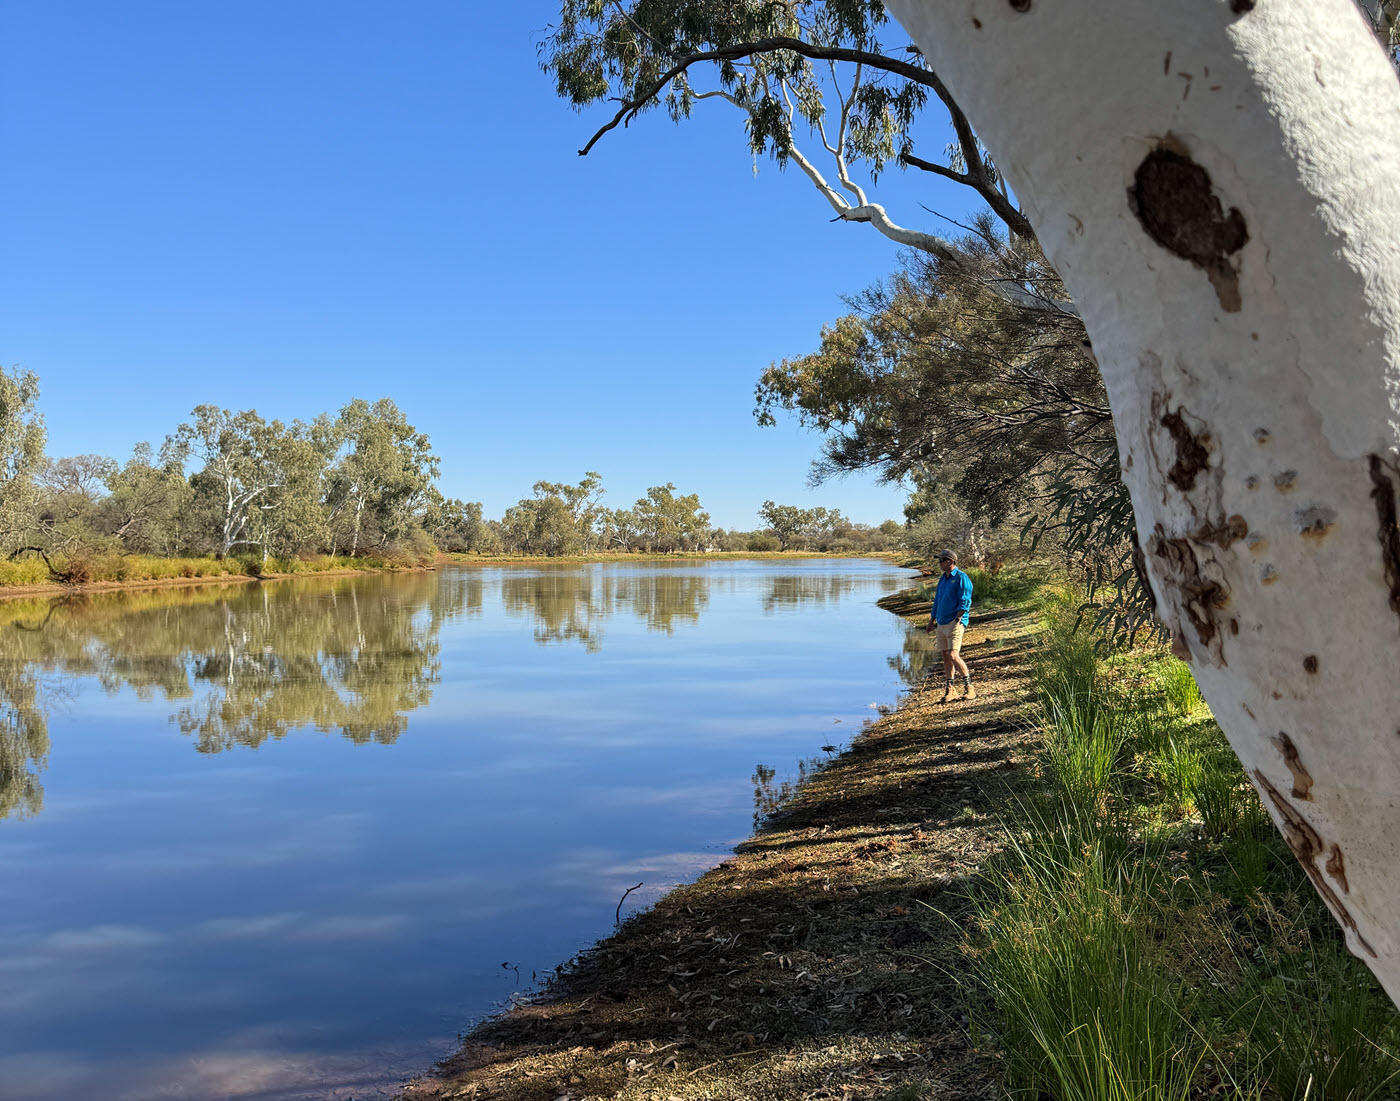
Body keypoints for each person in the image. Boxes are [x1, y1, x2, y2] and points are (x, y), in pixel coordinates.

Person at [925, 549, 974, 702]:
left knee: (953, 655)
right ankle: (950, 689)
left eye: (941, 560)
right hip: (941, 621)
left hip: (955, 622)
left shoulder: (961, 578)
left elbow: (966, 600)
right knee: (945, 656)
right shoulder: (943, 579)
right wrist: (932, 620)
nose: (939, 563)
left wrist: (958, 617)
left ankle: (969, 687)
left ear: (950, 561)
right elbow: (937, 601)